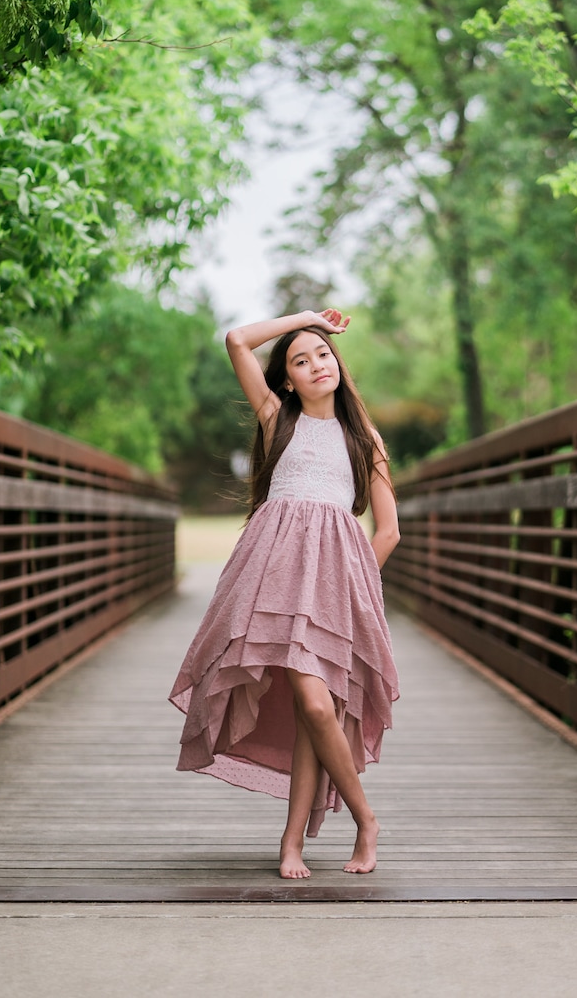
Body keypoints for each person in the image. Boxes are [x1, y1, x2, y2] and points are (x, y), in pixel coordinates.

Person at [168, 309, 400, 878]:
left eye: (323, 353)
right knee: (313, 705)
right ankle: (357, 822)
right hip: (275, 582)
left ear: (337, 364)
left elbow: (389, 531)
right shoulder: (278, 419)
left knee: (314, 710)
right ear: (288, 381)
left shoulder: (364, 440)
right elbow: (236, 339)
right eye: (301, 360)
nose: (317, 364)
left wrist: (353, 594)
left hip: (333, 592)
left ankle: (304, 837)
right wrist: (308, 318)